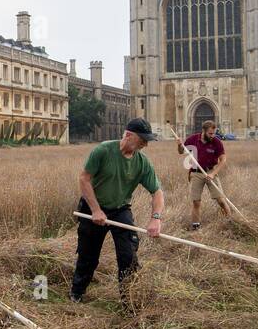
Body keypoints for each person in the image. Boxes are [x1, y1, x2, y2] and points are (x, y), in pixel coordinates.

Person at [71, 117, 164, 304]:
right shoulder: (103, 151)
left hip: (120, 210)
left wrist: (156, 218)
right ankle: (77, 293)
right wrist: (96, 211)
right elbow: (84, 179)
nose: (145, 144)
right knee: (88, 256)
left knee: (128, 256)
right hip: (93, 208)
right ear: (128, 135)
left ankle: (129, 298)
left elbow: (157, 192)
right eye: (142, 140)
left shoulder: (142, 162)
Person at [176, 119, 230, 230]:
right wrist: (179, 145)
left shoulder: (216, 142)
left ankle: (230, 222)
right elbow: (181, 151)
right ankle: (196, 227)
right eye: (210, 133)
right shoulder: (193, 139)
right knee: (196, 201)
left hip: (210, 172)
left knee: (220, 200)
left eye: (214, 133)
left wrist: (213, 174)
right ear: (203, 131)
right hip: (196, 173)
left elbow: (223, 160)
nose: (212, 135)